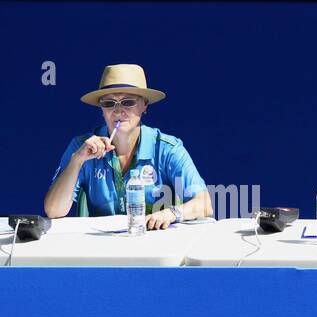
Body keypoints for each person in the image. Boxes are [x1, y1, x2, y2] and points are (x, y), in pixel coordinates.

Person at [45, 64, 210, 227]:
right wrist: (77, 161)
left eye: (128, 102)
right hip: (101, 248)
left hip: (156, 245)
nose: (117, 110)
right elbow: (53, 211)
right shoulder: (81, 147)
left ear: (144, 104)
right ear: (101, 109)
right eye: (109, 103)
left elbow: (204, 204)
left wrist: (171, 213)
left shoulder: (167, 149)